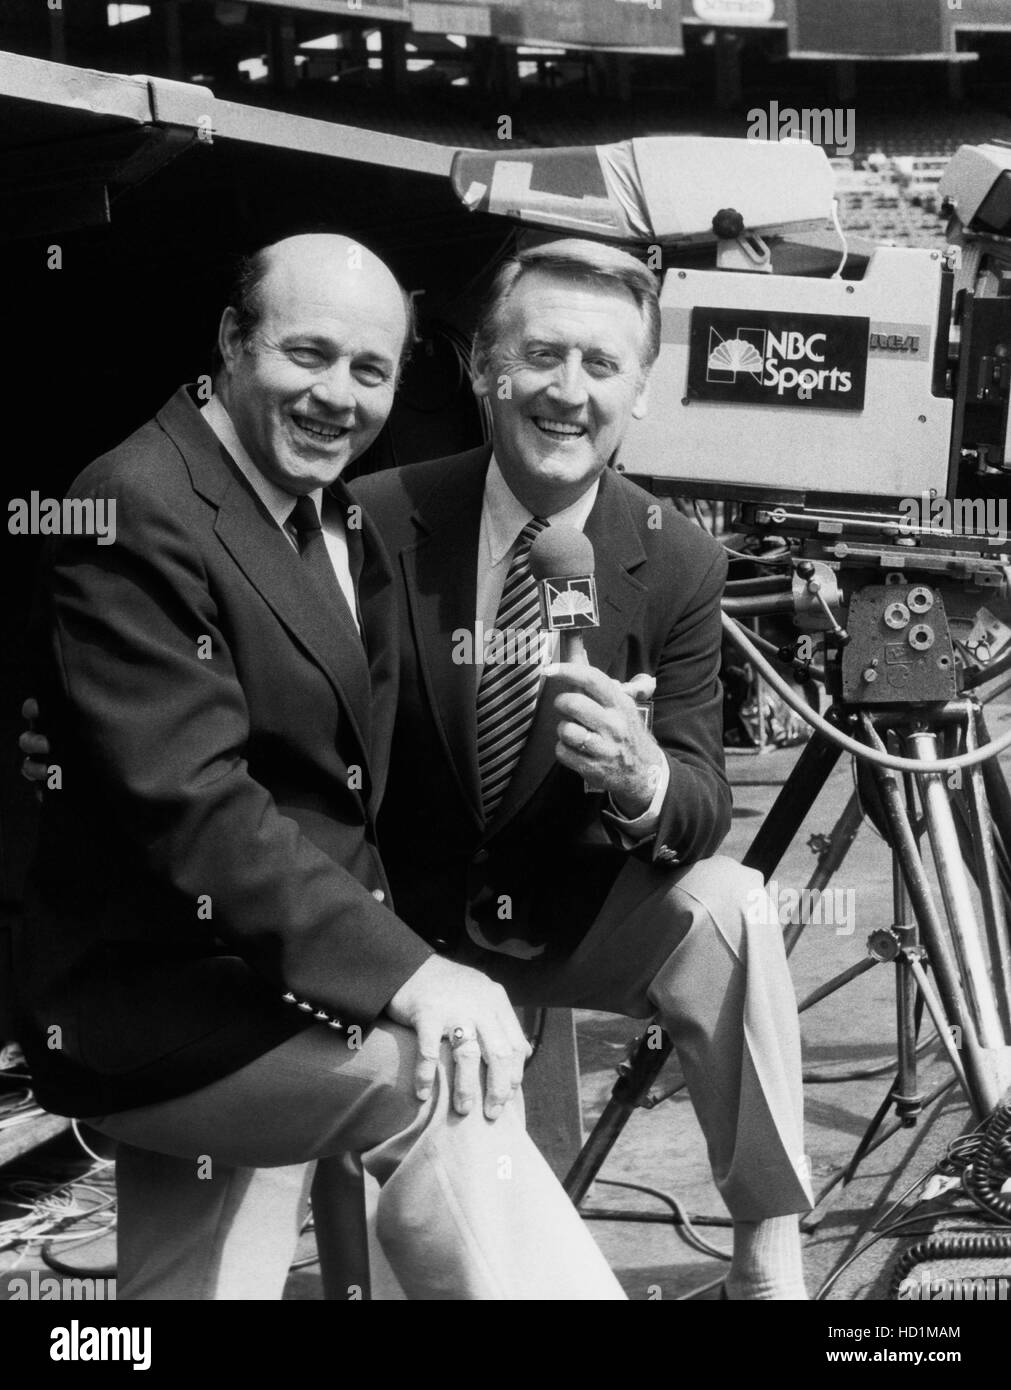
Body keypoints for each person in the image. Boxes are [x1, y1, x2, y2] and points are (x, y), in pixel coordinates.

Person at [12, 233, 625, 1301]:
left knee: (190, 1289)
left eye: (370, 369)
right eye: (307, 354)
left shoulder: (328, 508)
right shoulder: (137, 503)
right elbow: (199, 809)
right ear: (231, 343)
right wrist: (412, 974)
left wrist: (605, 749)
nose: (336, 395)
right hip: (167, 997)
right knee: (442, 1086)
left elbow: (346, 760)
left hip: (269, 968)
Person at [350, 239, 814, 1300]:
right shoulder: (374, 519)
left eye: (602, 366)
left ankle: (768, 1245)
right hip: (408, 932)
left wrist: (642, 776)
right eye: (542, 356)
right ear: (482, 369)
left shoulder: (679, 555)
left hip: (573, 910)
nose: (569, 392)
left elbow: (697, 795)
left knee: (733, 906)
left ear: (640, 391)